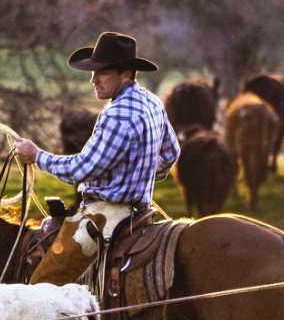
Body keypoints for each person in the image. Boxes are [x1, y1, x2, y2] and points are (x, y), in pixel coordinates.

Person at [14, 31, 180, 243]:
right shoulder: (152, 101)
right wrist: (138, 172)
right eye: (93, 72)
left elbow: (82, 169)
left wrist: (36, 156)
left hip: (107, 216)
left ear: (126, 74)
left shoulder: (116, 115)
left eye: (103, 73)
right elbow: (171, 152)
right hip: (139, 212)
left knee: (50, 270)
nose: (94, 80)